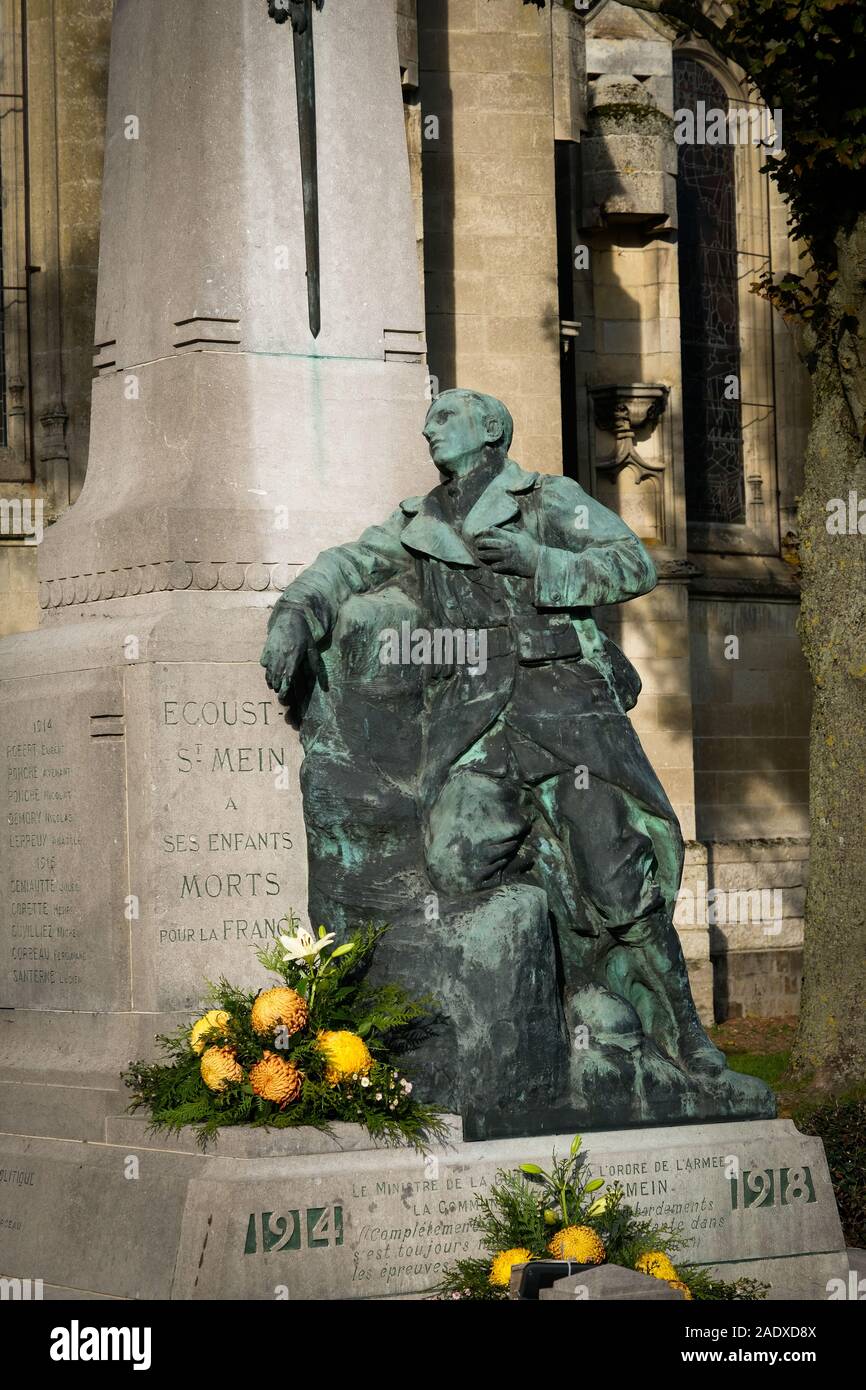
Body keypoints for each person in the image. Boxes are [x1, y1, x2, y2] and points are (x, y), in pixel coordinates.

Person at [261, 388, 725, 1076]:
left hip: (563, 706)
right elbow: (350, 563)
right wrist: (297, 608)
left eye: (445, 418)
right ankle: (562, 993)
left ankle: (685, 1035)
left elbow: (634, 562)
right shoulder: (419, 519)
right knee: (454, 861)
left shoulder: (545, 497)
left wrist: (540, 560)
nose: (428, 429)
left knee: (616, 874)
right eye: (428, 420)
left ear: (491, 431)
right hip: (475, 724)